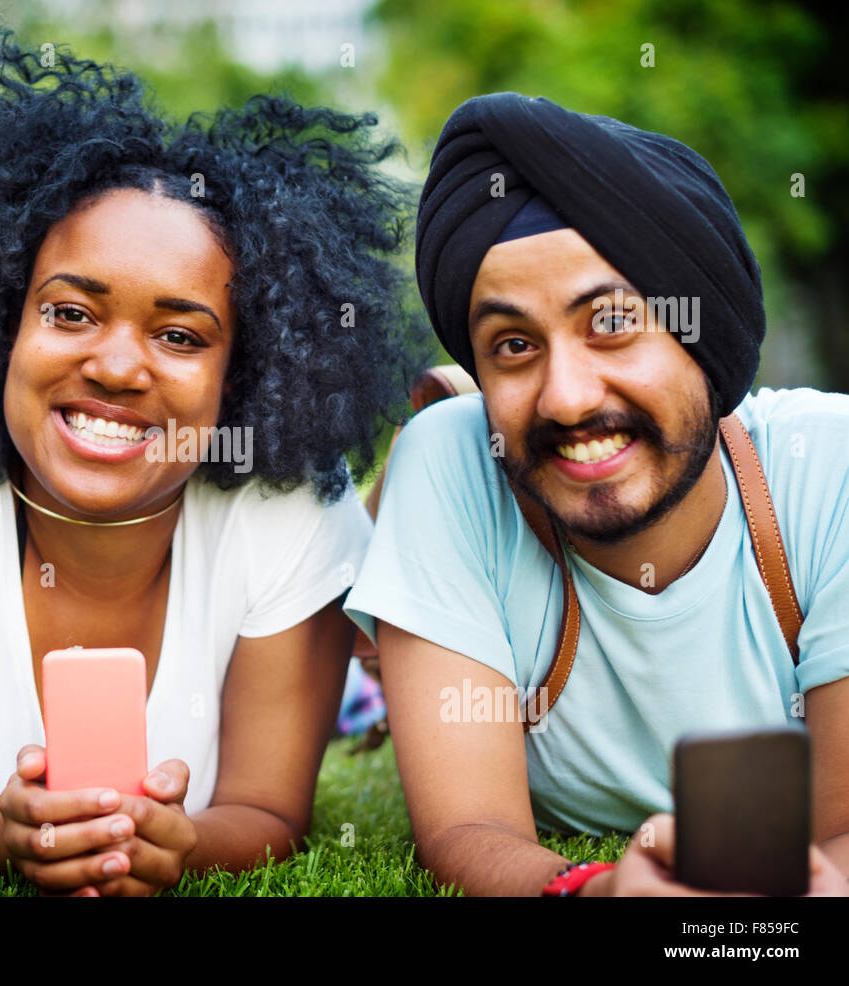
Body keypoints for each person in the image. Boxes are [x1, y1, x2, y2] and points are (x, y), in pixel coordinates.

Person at [0, 29, 416, 896]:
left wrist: (184, 845)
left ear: (243, 372)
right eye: (70, 313)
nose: (119, 368)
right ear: (0, 320)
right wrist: (3, 833)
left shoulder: (290, 509)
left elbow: (270, 817)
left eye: (178, 335)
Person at [345, 93, 849, 896]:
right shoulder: (451, 460)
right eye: (513, 346)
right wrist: (599, 890)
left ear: (704, 338)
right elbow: (469, 829)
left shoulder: (830, 465)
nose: (567, 399)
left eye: (612, 322)